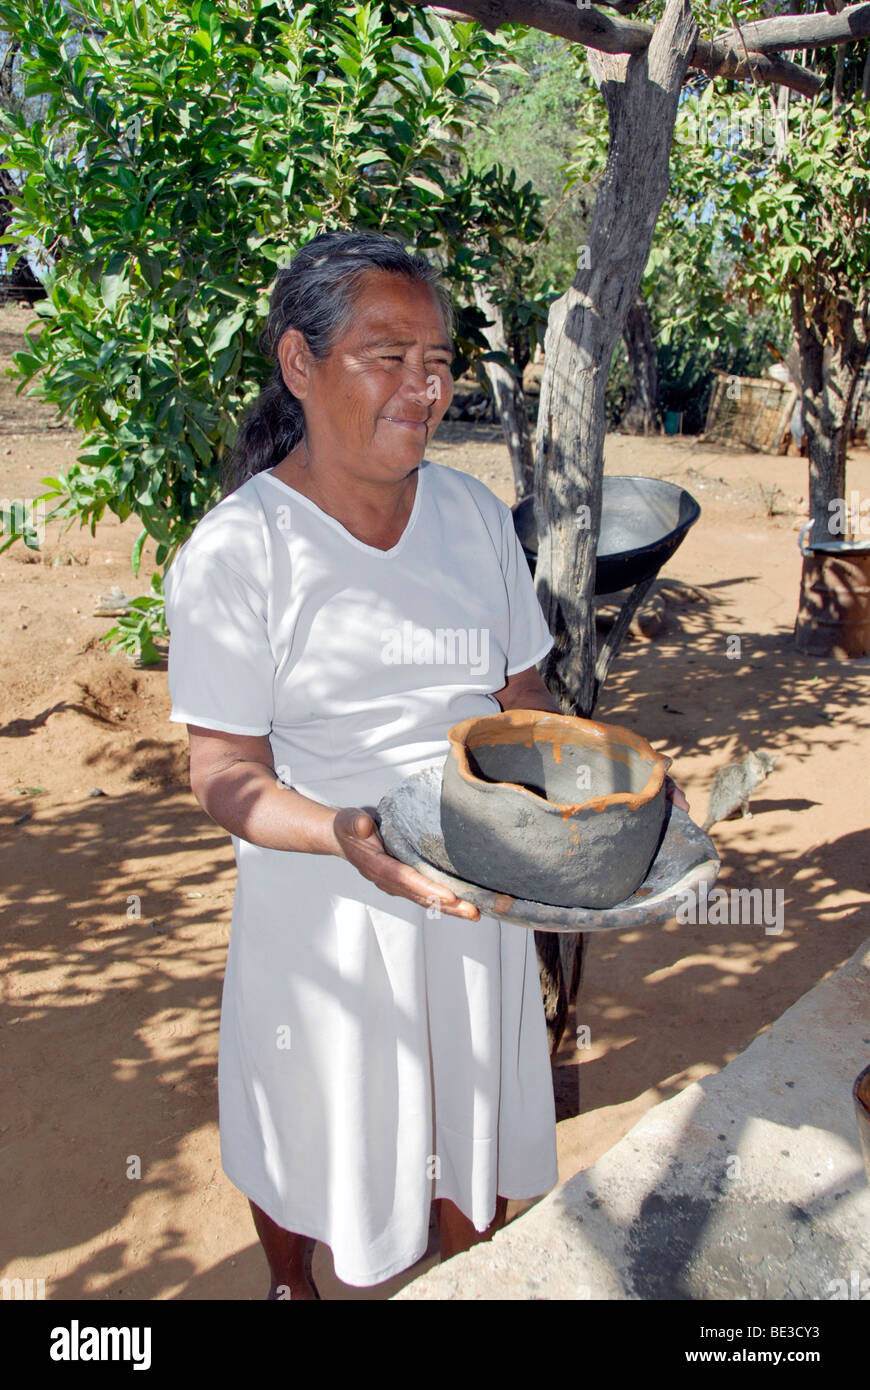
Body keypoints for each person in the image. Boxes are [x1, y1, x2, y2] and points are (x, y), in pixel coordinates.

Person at [163, 229, 683, 1298]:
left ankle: (463, 1270)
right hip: (326, 906)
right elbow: (220, 767)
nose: (426, 385)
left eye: (438, 358)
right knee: (309, 1114)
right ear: (299, 365)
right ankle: (290, 1281)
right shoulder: (237, 552)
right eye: (386, 355)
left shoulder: (468, 515)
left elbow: (520, 697)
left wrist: (561, 804)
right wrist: (343, 830)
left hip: (469, 887)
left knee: (466, 1102)